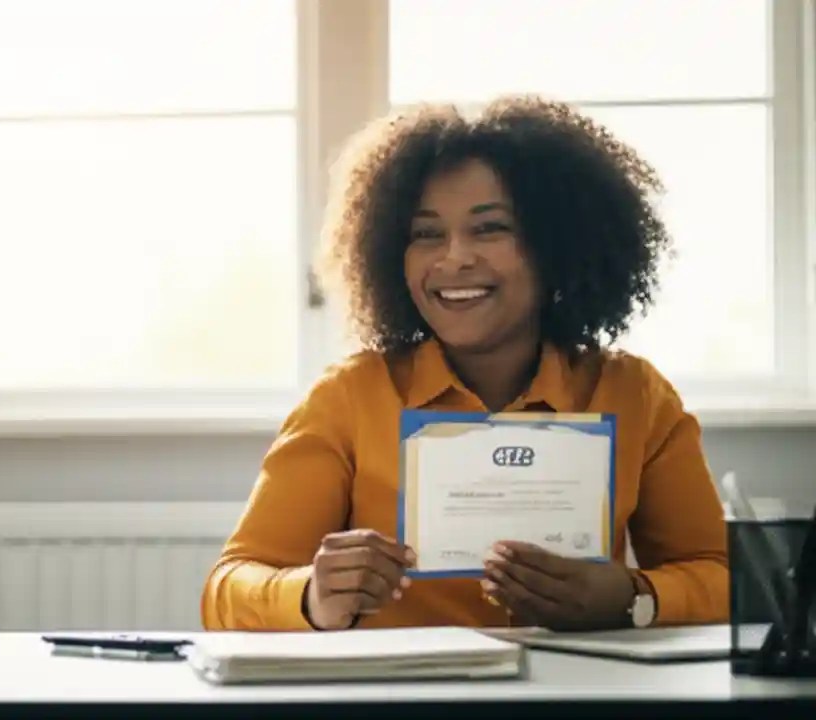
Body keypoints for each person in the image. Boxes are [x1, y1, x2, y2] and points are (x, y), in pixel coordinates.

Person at [201, 96, 728, 632]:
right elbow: (228, 590)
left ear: (558, 247)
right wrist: (313, 596)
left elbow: (726, 578)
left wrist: (633, 598)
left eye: (490, 228)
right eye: (426, 234)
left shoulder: (634, 395)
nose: (453, 258)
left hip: (577, 681)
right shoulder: (350, 398)